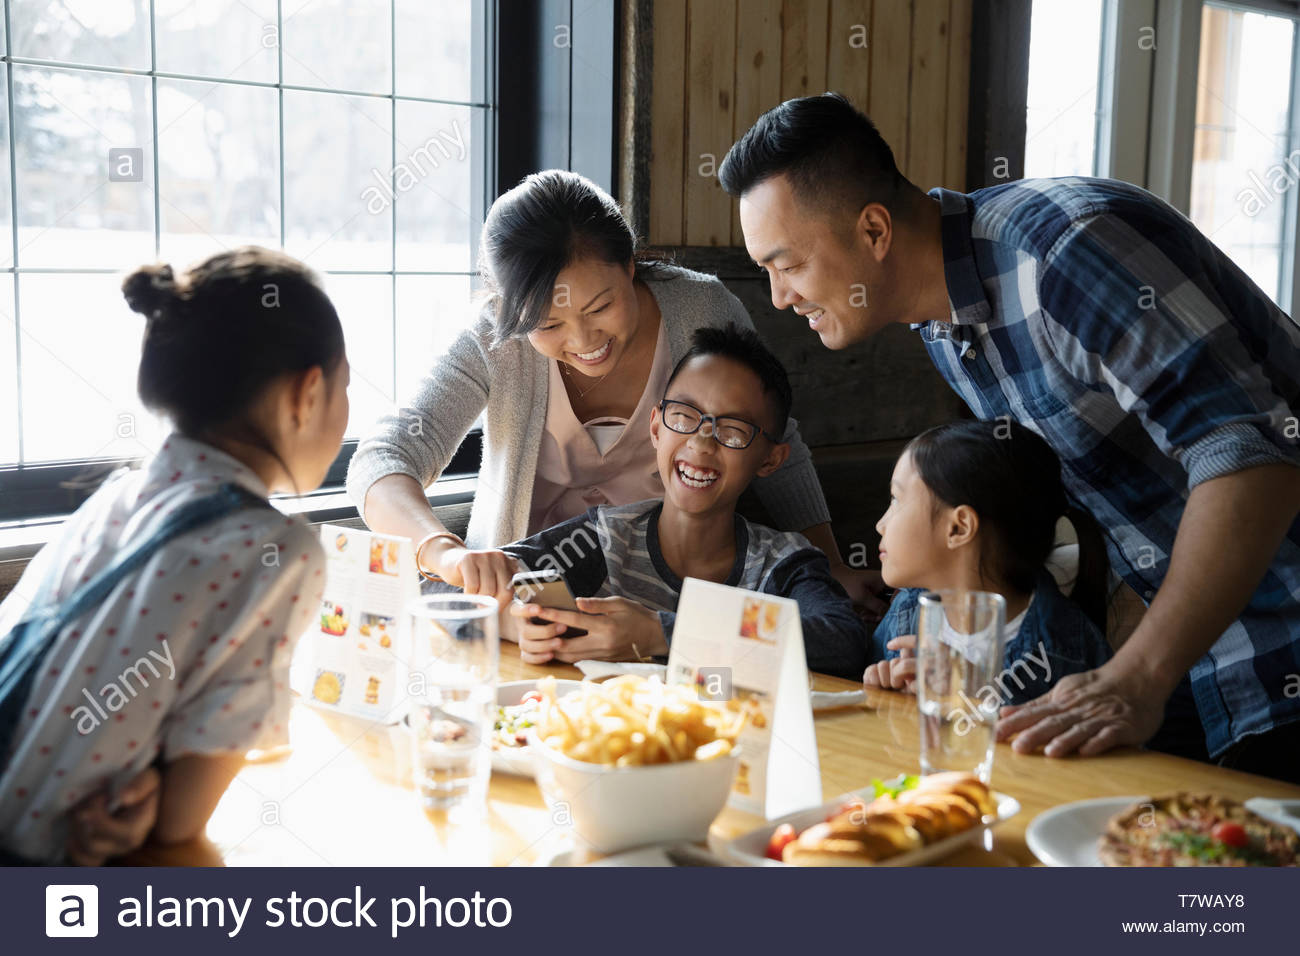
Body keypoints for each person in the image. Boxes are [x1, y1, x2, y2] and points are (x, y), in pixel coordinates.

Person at [720, 92, 1300, 782]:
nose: (779, 297)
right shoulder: (944, 324)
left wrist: (1138, 676)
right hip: (1193, 655)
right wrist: (976, 663)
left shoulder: (1066, 251)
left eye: (787, 265)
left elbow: (1249, 456)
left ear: (874, 231)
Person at [346, 169, 881, 614]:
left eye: (600, 306)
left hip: (668, 609)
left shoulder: (701, 310)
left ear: (630, 265)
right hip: (523, 608)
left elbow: (771, 435)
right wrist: (442, 552)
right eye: (547, 324)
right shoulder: (496, 339)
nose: (584, 342)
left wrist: (830, 566)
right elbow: (384, 456)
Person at [0, 247, 350, 863]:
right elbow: (182, 821)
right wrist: (163, 799)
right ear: (308, 393)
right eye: (345, 387)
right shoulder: (279, 553)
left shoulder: (118, 497)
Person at [495, 324, 868, 679]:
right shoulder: (604, 541)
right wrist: (515, 625)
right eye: (684, 416)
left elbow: (841, 641)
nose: (702, 443)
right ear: (656, 427)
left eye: (733, 431)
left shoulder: (780, 565)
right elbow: (473, 592)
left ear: (771, 459)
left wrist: (660, 634)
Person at [864, 419, 1112, 703]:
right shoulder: (907, 609)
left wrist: (977, 692)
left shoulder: (1061, 648)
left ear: (959, 527)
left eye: (895, 500)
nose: (880, 525)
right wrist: (882, 689)